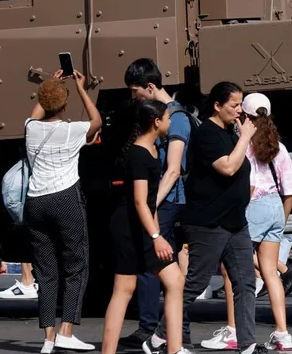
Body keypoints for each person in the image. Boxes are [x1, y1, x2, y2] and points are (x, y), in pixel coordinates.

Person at [99, 100, 188, 354]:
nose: (171, 122)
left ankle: (174, 348)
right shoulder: (138, 154)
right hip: (130, 228)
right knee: (124, 290)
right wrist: (157, 236)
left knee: (175, 281)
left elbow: (150, 203)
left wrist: (156, 231)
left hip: (143, 225)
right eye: (168, 118)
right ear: (156, 122)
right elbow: (139, 200)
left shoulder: (152, 151)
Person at [183, 82, 261, 354]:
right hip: (209, 222)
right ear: (217, 106)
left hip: (235, 222)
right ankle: (161, 334)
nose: (240, 111)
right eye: (234, 105)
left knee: (245, 282)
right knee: (196, 282)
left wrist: (241, 137)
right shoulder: (206, 133)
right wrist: (244, 138)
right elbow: (227, 167)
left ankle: (247, 343)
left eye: (241, 104)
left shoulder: (231, 132)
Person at [27, 70, 102, 353]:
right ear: (65, 105)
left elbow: (37, 110)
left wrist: (52, 85)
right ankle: (66, 331)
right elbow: (96, 120)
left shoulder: (30, 128)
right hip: (65, 198)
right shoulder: (72, 130)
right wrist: (80, 88)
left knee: (45, 273)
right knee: (76, 265)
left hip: (35, 201)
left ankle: (47, 339)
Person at [126, 59, 193, 348]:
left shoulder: (176, 119)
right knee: (172, 266)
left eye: (136, 91)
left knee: (152, 262)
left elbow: (174, 169)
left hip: (168, 201)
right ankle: (178, 332)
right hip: (167, 200)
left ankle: (150, 328)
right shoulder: (168, 115)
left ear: (150, 87)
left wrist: (152, 204)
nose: (134, 97)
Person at [244, 94, 292, 351]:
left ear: (246, 117)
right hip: (276, 206)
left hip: (254, 206)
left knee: (234, 261)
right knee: (271, 274)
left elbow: (249, 185)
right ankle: (282, 332)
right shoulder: (280, 146)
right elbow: (290, 189)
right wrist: (281, 220)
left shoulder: (245, 145)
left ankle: (238, 330)